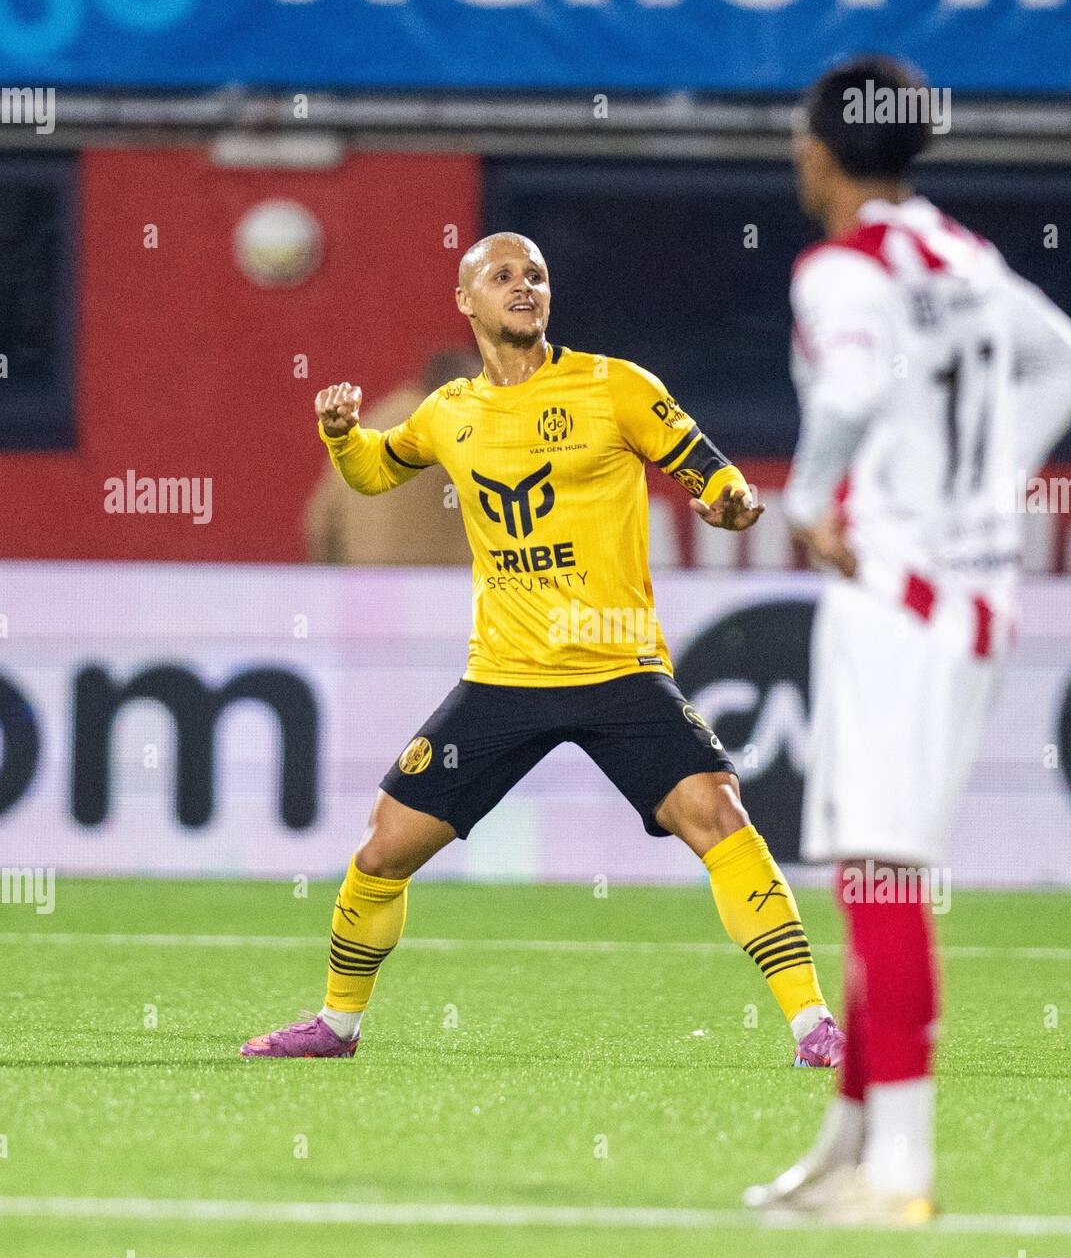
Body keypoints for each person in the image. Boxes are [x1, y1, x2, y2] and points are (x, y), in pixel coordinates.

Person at [242, 232, 845, 1069]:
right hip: (506, 678)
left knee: (721, 817)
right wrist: (342, 435)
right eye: (502, 275)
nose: (523, 286)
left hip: (619, 669)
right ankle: (336, 1027)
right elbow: (377, 472)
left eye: (536, 275)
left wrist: (733, 504)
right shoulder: (449, 411)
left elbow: (716, 476)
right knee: (383, 848)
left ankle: (815, 1028)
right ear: (467, 301)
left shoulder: (615, 387)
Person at [746, 56, 1071, 1223]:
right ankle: (848, 1144)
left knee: (880, 873)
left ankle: (898, 1169)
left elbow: (847, 394)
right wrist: (987, 486)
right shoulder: (961, 254)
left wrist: (806, 504)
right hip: (973, 596)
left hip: (896, 595)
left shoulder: (842, 271)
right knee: (874, 862)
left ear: (817, 149)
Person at [304, 348, 479, 565]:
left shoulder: (377, 421)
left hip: (370, 586)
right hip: (454, 589)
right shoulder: (474, 426)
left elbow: (320, 524)